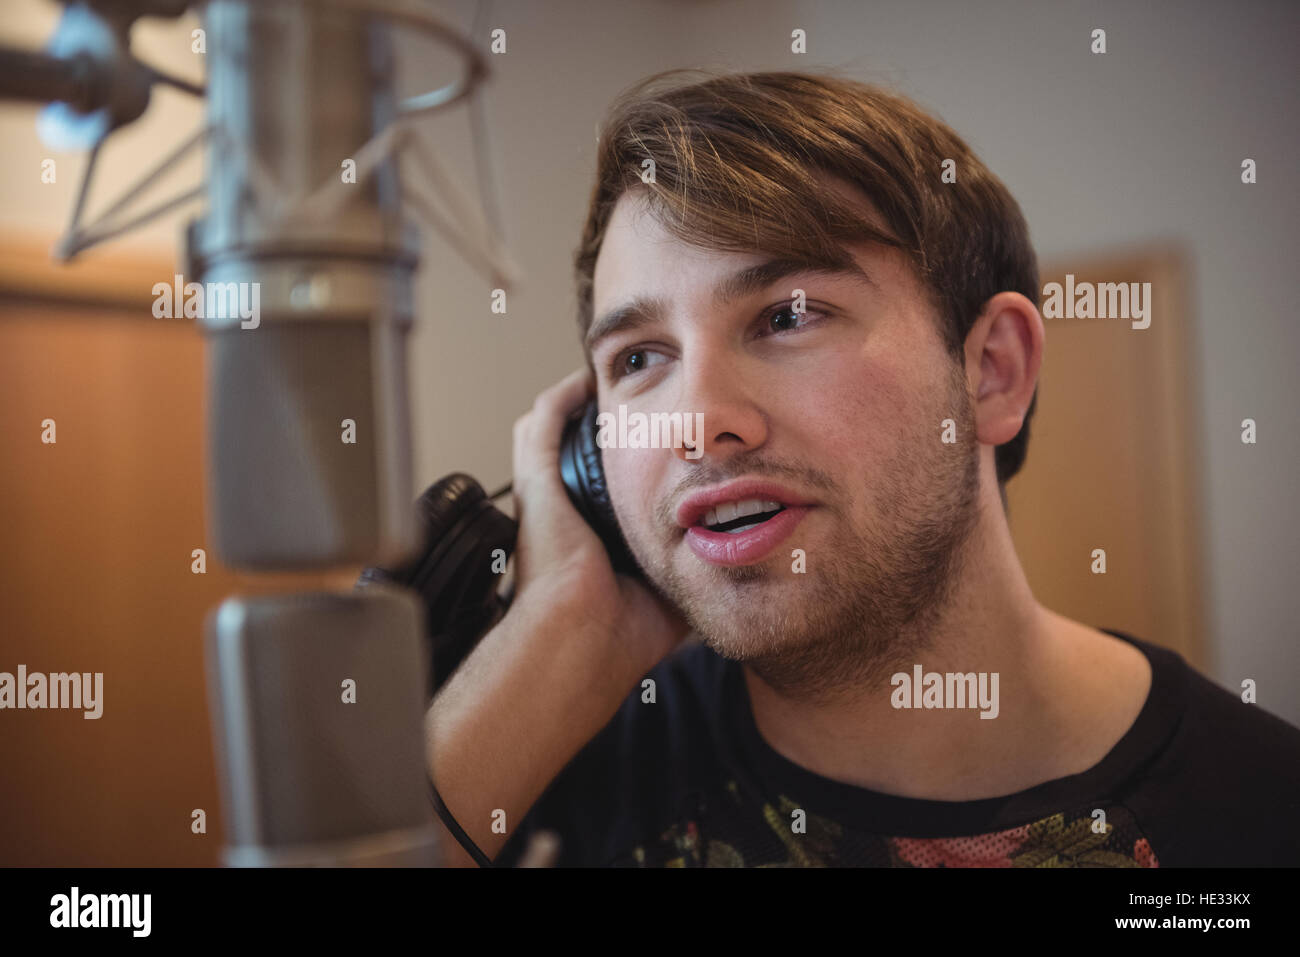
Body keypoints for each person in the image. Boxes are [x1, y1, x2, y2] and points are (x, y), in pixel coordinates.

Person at [424, 69, 1300, 867]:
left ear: (991, 370)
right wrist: (554, 636)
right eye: (640, 358)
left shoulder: (1259, 811)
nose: (698, 424)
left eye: (787, 315)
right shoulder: (541, 772)